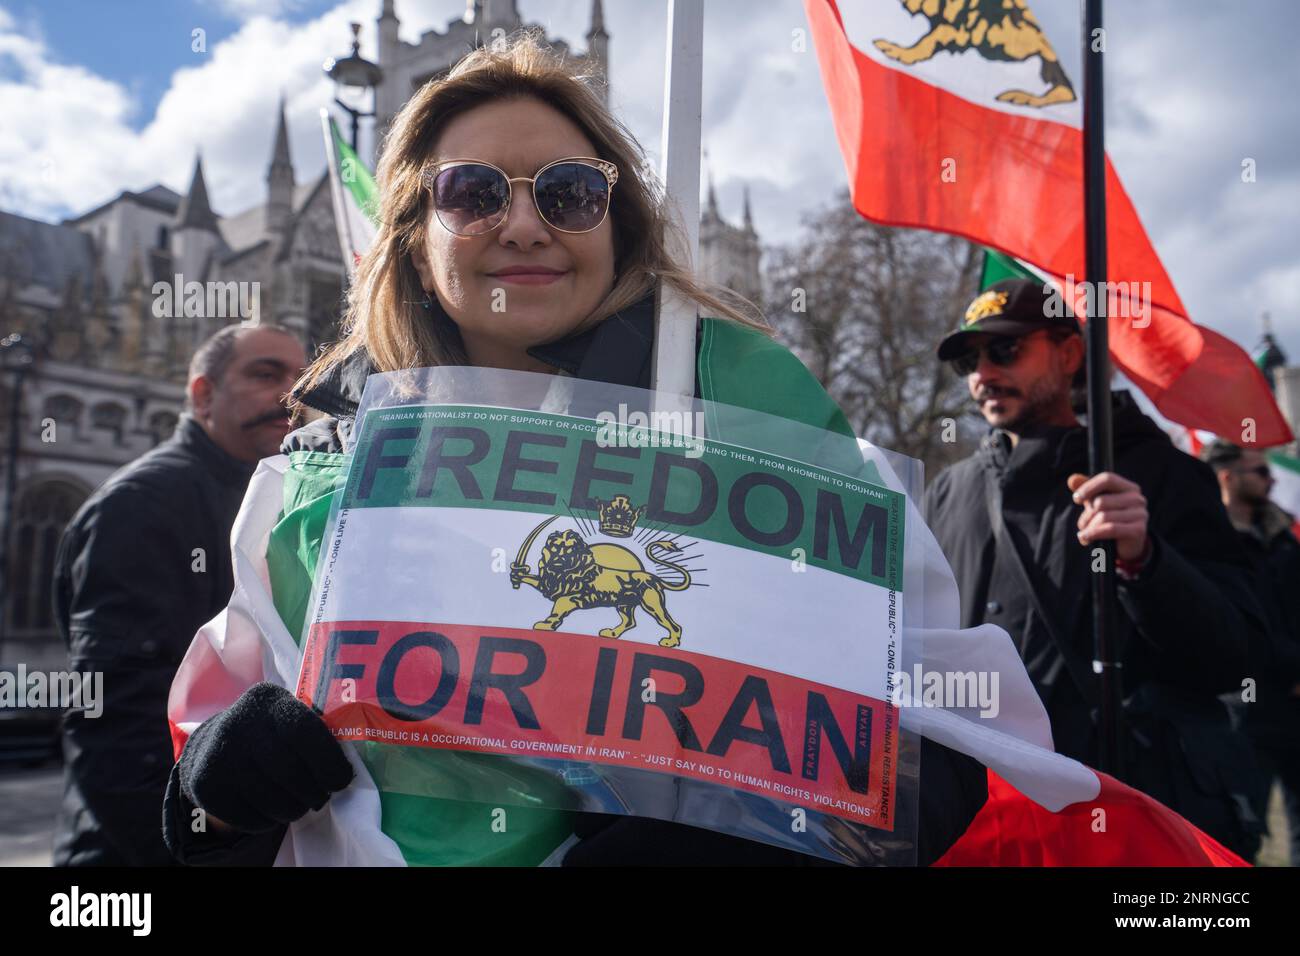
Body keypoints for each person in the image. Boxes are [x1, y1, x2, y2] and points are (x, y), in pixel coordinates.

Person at [162, 33, 987, 867]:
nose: (524, 225)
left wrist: (755, 847)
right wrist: (222, 790)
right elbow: (215, 781)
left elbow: (941, 732)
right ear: (413, 232)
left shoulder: (745, 408)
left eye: (569, 193)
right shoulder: (315, 468)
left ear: (615, 222)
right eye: (473, 193)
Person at [923, 279, 1268, 857]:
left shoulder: (1161, 475)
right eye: (968, 359)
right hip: (985, 830)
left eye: (1005, 350)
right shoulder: (945, 494)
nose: (981, 372)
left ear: (1069, 353)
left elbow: (1238, 657)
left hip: (1127, 820)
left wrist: (1147, 561)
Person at [51, 323, 306, 866]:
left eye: (300, 377)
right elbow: (110, 719)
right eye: (265, 374)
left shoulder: (275, 498)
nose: (291, 393)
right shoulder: (143, 504)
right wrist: (192, 852)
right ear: (203, 394)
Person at [1201, 439, 1300, 865]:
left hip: (1293, 705)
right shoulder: (1206, 543)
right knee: (1241, 830)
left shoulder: (1285, 536)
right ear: (1228, 477)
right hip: (1240, 708)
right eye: (1260, 471)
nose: (1271, 478)